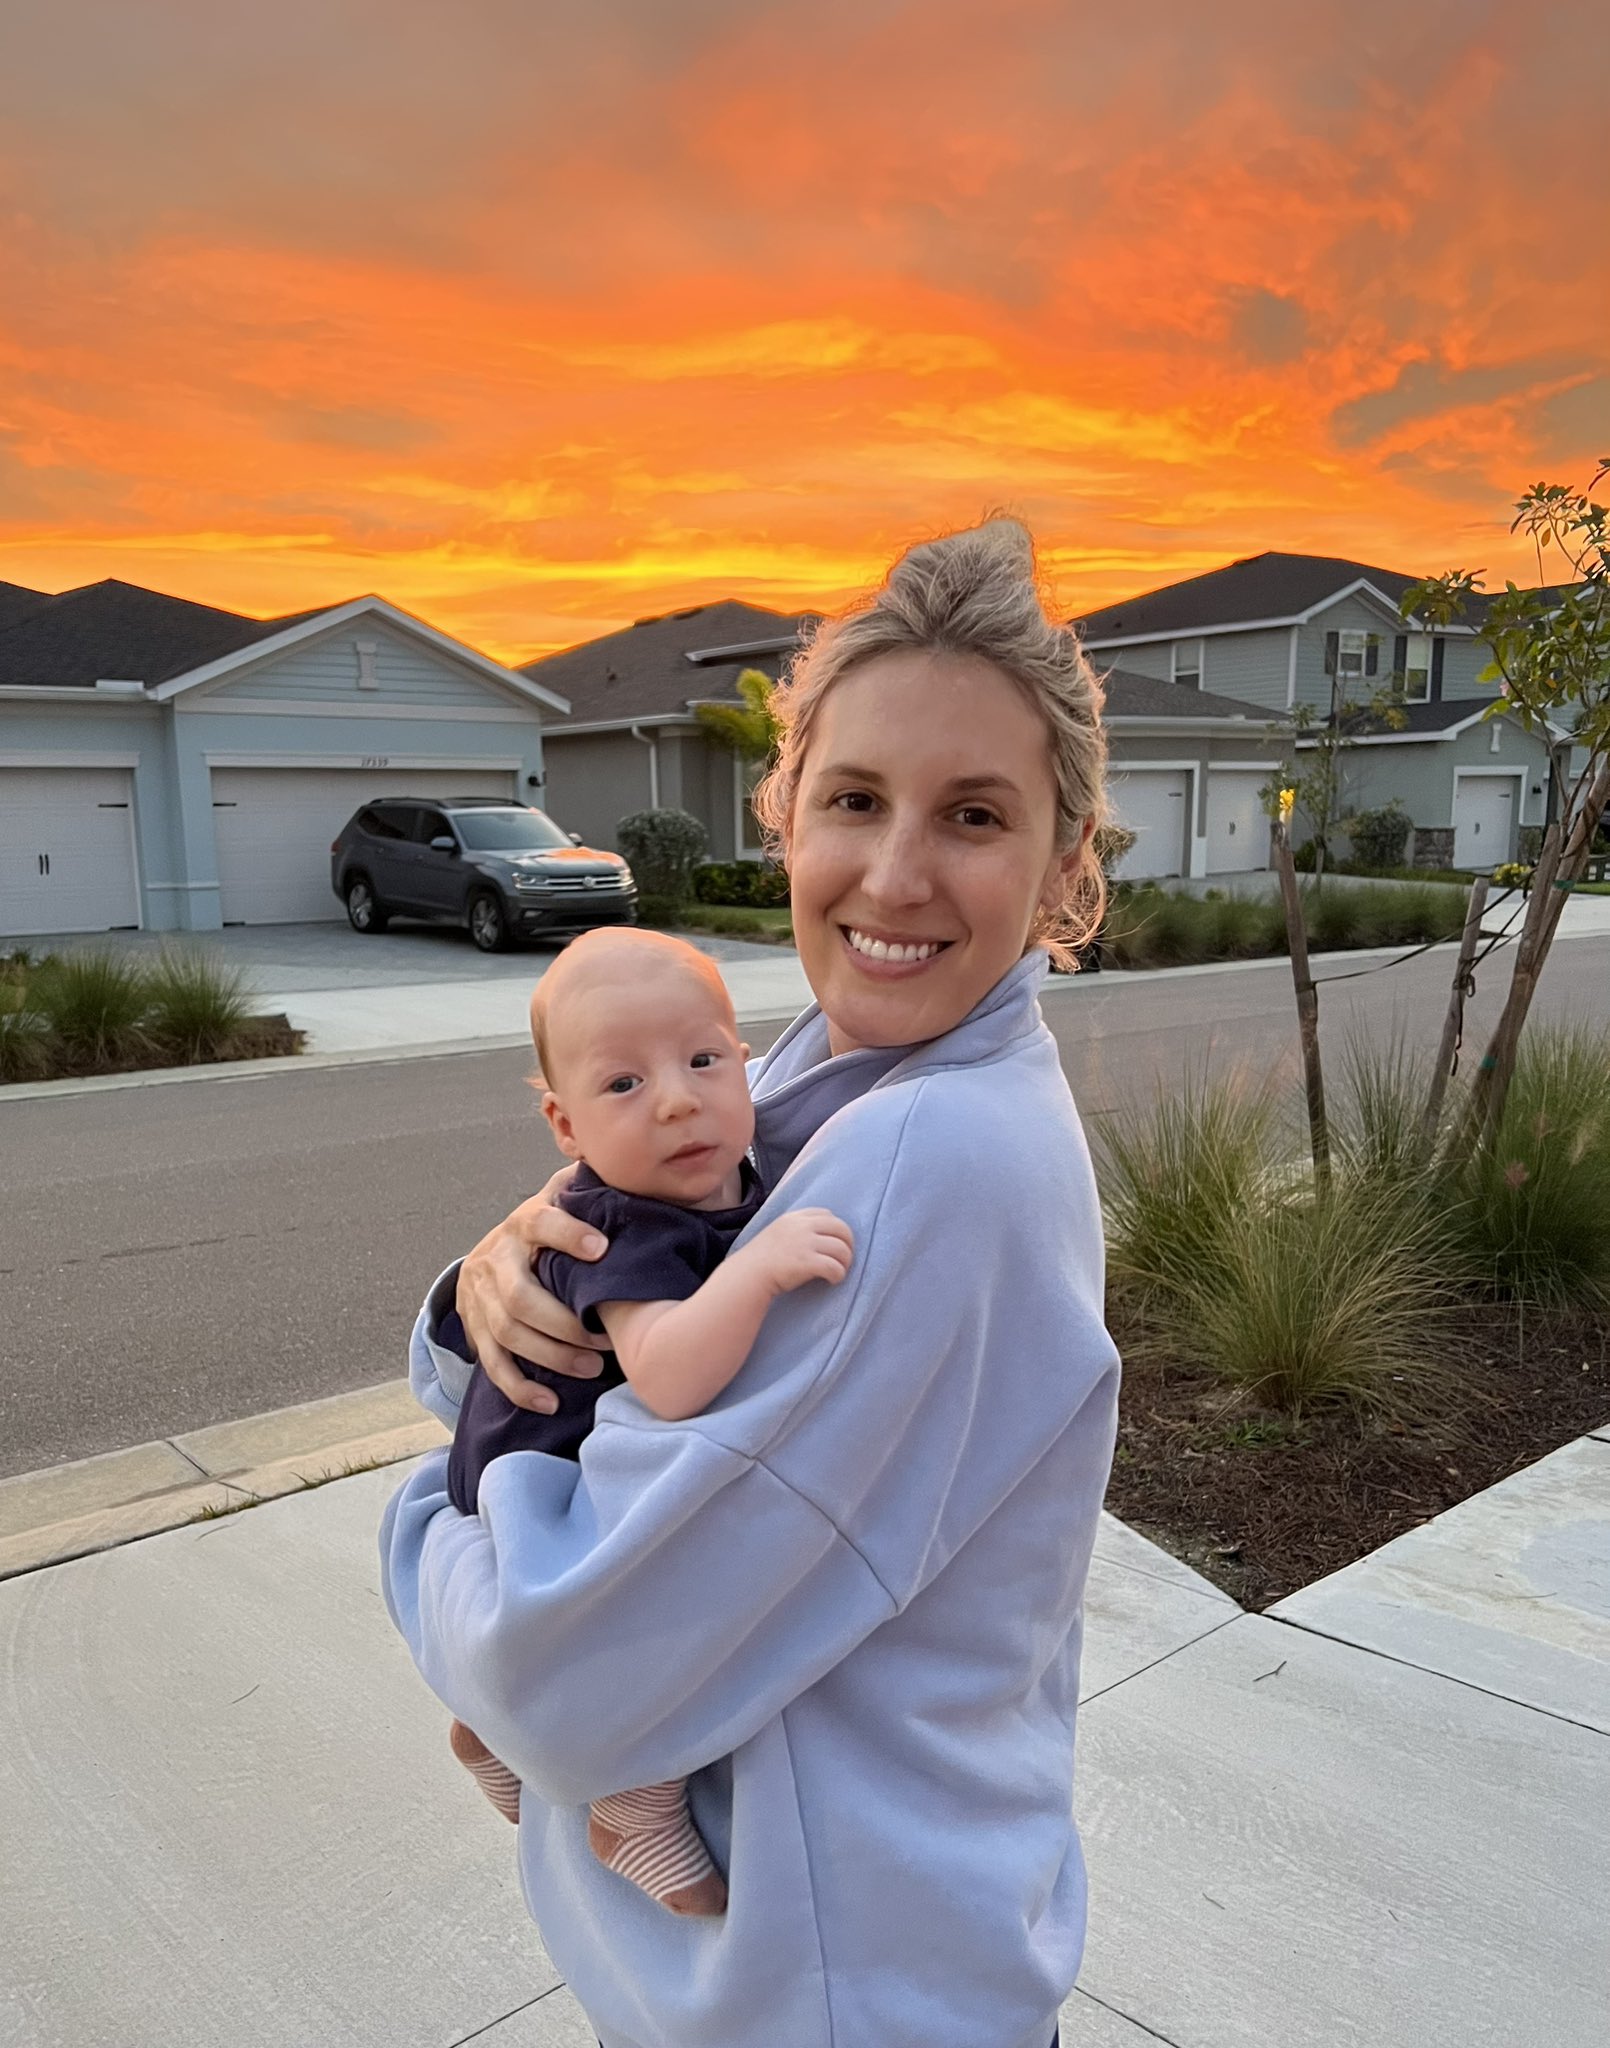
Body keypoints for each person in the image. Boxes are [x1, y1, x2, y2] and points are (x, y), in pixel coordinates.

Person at [381, 515, 1120, 2048]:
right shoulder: (804, 1079)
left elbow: (563, 1678)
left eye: (973, 816)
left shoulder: (930, 1156)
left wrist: (410, 1535)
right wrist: (489, 1292)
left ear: (1064, 861)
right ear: (787, 814)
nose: (895, 874)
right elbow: (574, 1327)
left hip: (828, 2000)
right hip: (793, 1976)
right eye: (853, 799)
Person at [442, 925, 854, 1920]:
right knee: (663, 1607)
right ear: (564, 1124)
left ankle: (485, 1732)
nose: (676, 1097)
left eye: (704, 1059)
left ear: (743, 1057)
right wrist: (756, 1270)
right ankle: (635, 1796)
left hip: (570, 1457)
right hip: (539, 1468)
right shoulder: (625, 1219)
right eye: (622, 1084)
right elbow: (667, 1375)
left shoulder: (714, 1179)